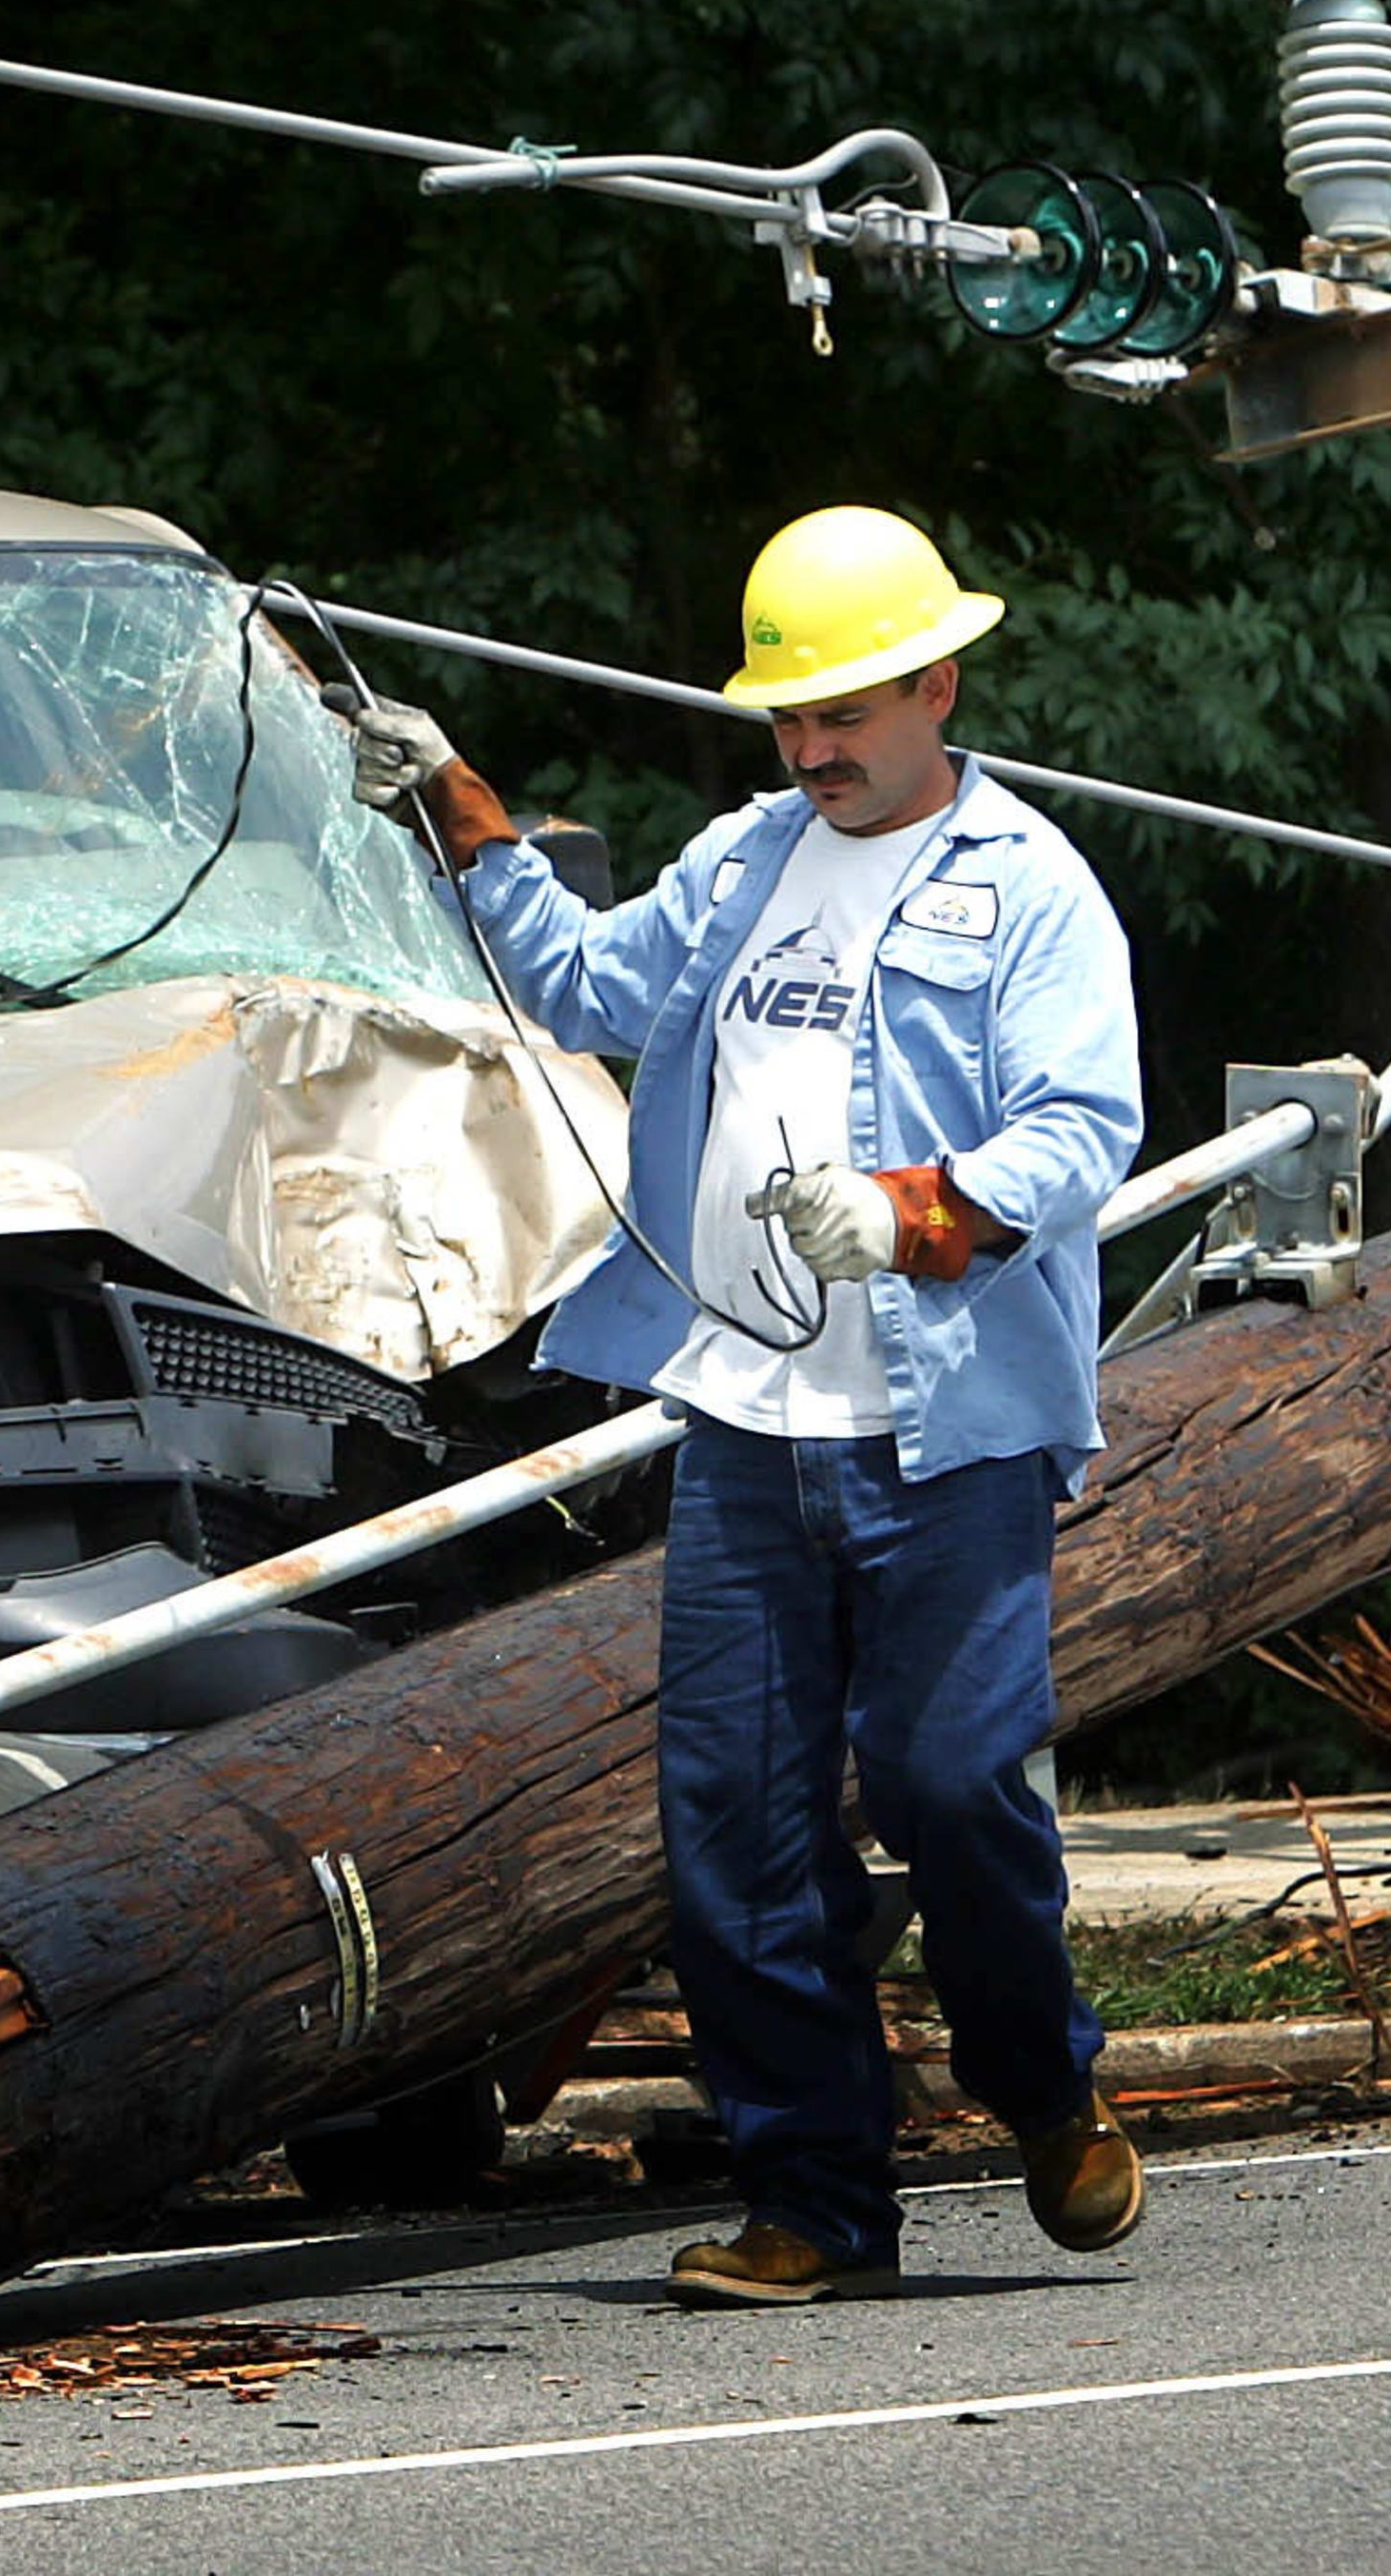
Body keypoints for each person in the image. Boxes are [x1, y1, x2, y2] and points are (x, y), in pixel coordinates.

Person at [347, 505, 1145, 2311]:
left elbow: (1087, 1129)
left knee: (952, 1787)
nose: (814, 749)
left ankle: (1039, 2084)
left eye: (847, 712)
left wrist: (908, 1211)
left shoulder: (1031, 886)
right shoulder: (748, 856)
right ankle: (815, 2205)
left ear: (939, 682)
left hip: (949, 1435)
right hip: (745, 1423)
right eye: (789, 720)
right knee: (734, 1826)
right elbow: (589, 987)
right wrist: (469, 812)